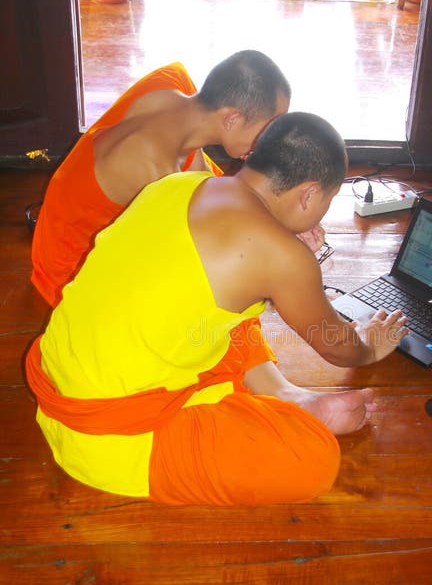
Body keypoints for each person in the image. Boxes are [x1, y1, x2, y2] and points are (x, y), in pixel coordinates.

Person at [25, 112, 408, 507]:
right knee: (315, 460)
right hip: (108, 435)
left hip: (64, 368)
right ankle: (277, 406)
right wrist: (370, 346)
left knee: (227, 321)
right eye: (326, 201)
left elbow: (219, 274)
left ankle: (286, 393)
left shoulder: (179, 183)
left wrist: (286, 252)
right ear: (309, 195)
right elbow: (337, 347)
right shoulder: (281, 256)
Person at [31, 51, 291, 308]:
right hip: (72, 265)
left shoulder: (175, 85)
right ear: (232, 119)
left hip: (114, 209)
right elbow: (199, 254)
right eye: (267, 130)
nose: (268, 142)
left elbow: (206, 184)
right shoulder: (153, 170)